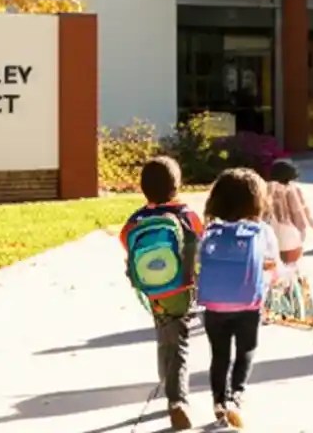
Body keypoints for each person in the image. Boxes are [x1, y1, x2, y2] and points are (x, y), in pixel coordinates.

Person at [118, 156, 205, 431]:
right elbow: (200, 240)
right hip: (181, 288)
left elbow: (125, 240)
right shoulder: (186, 214)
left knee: (163, 332)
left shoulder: (137, 219)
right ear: (177, 185)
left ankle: (166, 380)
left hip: (153, 290)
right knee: (179, 341)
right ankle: (178, 400)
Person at [197, 168, 282, 429]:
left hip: (214, 305)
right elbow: (274, 269)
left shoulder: (211, 230)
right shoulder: (262, 231)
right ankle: (237, 396)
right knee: (246, 351)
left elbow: (200, 262)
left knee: (219, 354)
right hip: (249, 304)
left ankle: (219, 402)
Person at [264, 158, 313, 266]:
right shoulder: (292, 190)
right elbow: (299, 213)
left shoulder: (266, 189)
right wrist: (311, 228)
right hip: (289, 236)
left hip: (270, 235)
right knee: (291, 267)